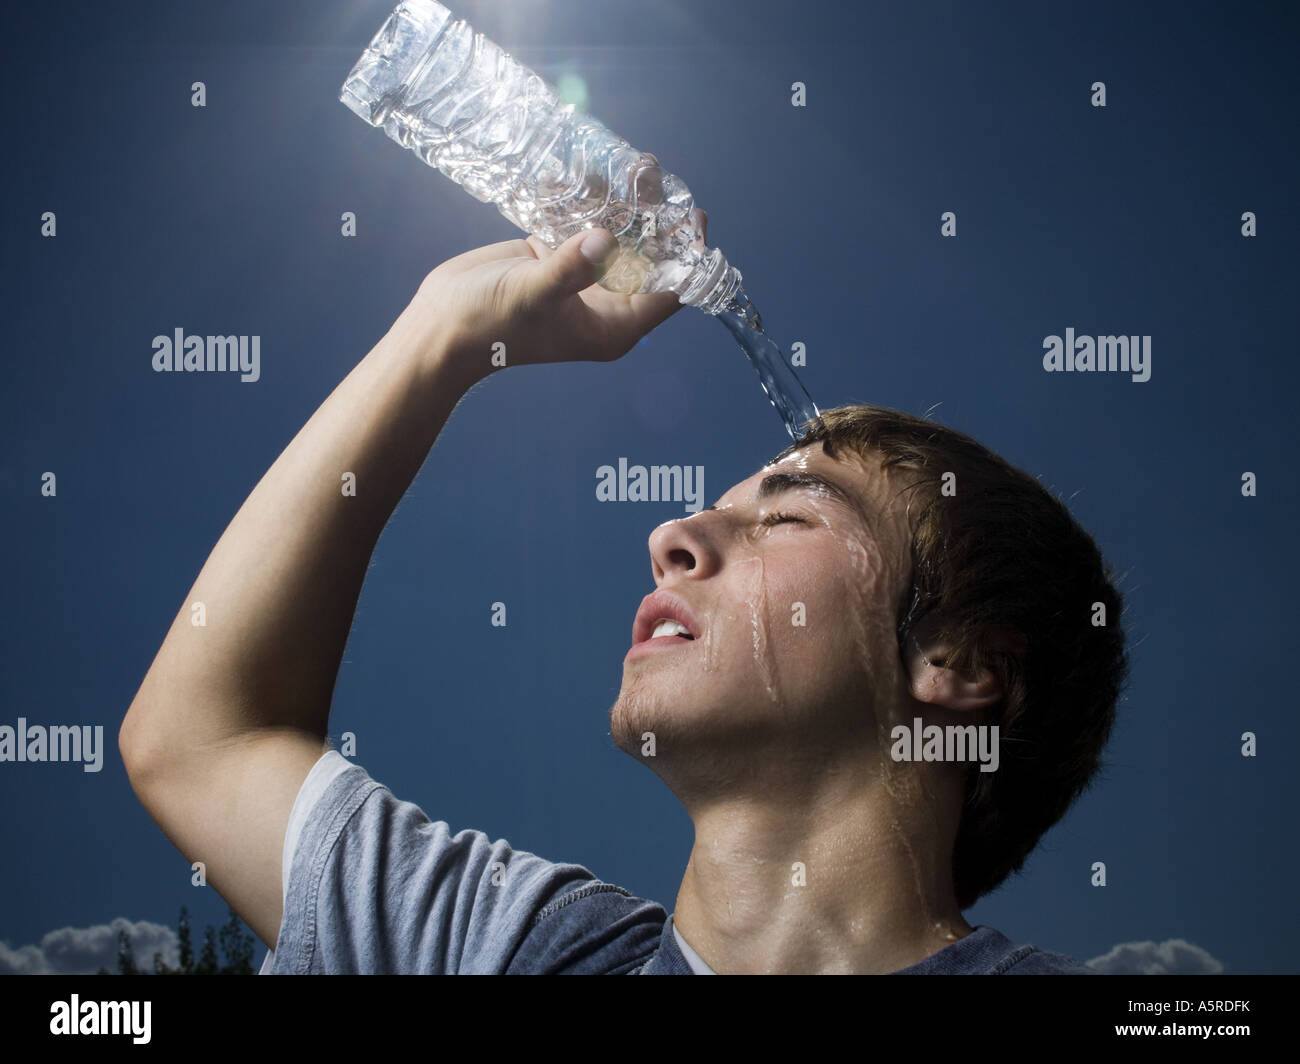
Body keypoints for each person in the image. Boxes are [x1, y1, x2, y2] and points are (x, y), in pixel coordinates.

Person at [120, 212, 1127, 973]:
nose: (670, 536)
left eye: (790, 512)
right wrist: (442, 338)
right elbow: (198, 741)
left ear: (956, 663)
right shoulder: (522, 949)